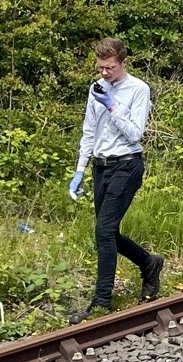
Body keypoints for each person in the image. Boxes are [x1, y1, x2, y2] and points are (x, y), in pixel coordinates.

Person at [68, 37, 164, 320]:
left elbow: (135, 133)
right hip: (102, 166)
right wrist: (80, 169)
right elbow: (89, 130)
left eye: (109, 68)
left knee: (103, 231)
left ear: (123, 63)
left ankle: (101, 300)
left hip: (127, 165)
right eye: (100, 68)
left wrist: (112, 106)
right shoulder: (96, 88)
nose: (104, 74)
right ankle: (149, 263)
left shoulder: (138, 89)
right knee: (107, 232)